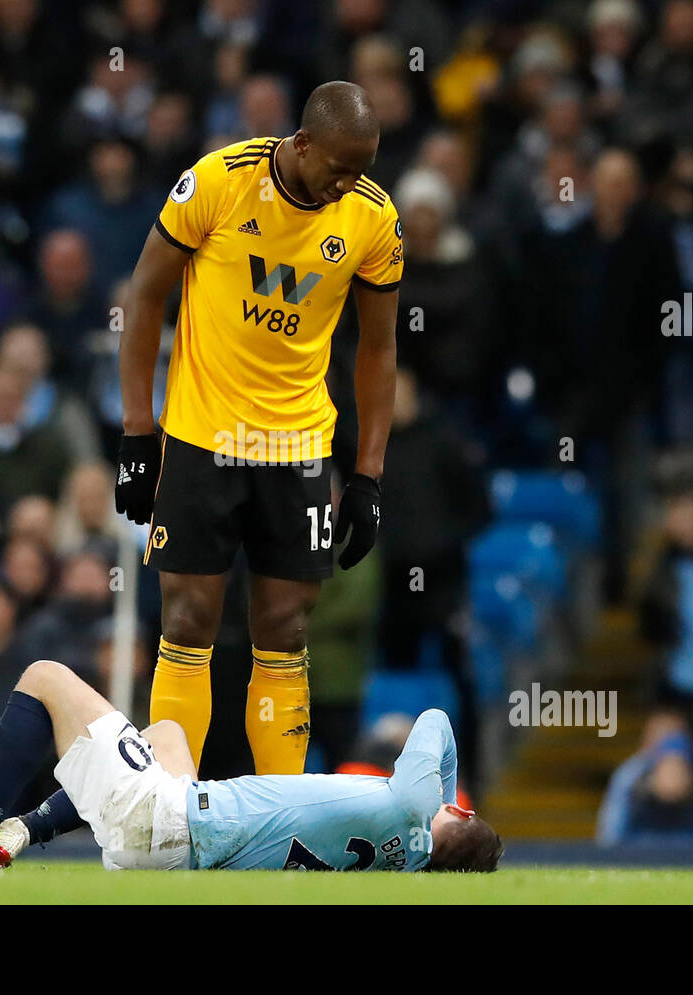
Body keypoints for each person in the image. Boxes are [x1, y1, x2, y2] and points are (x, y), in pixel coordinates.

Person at [115, 80, 403, 777]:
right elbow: (144, 294)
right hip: (200, 437)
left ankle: (284, 811)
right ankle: (171, 808)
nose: (346, 182)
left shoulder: (372, 217)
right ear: (301, 143)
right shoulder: (217, 181)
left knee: (285, 629)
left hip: (298, 445)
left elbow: (378, 348)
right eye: (337, 166)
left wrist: (367, 474)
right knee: (185, 621)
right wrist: (136, 434)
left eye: (361, 169)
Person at [0, 658, 500, 873]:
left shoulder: (414, 806)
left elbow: (436, 721)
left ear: (452, 814)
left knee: (44, 678)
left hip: (169, 822)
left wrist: (443, 792)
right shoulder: (399, 867)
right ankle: (23, 830)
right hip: (184, 844)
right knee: (168, 734)